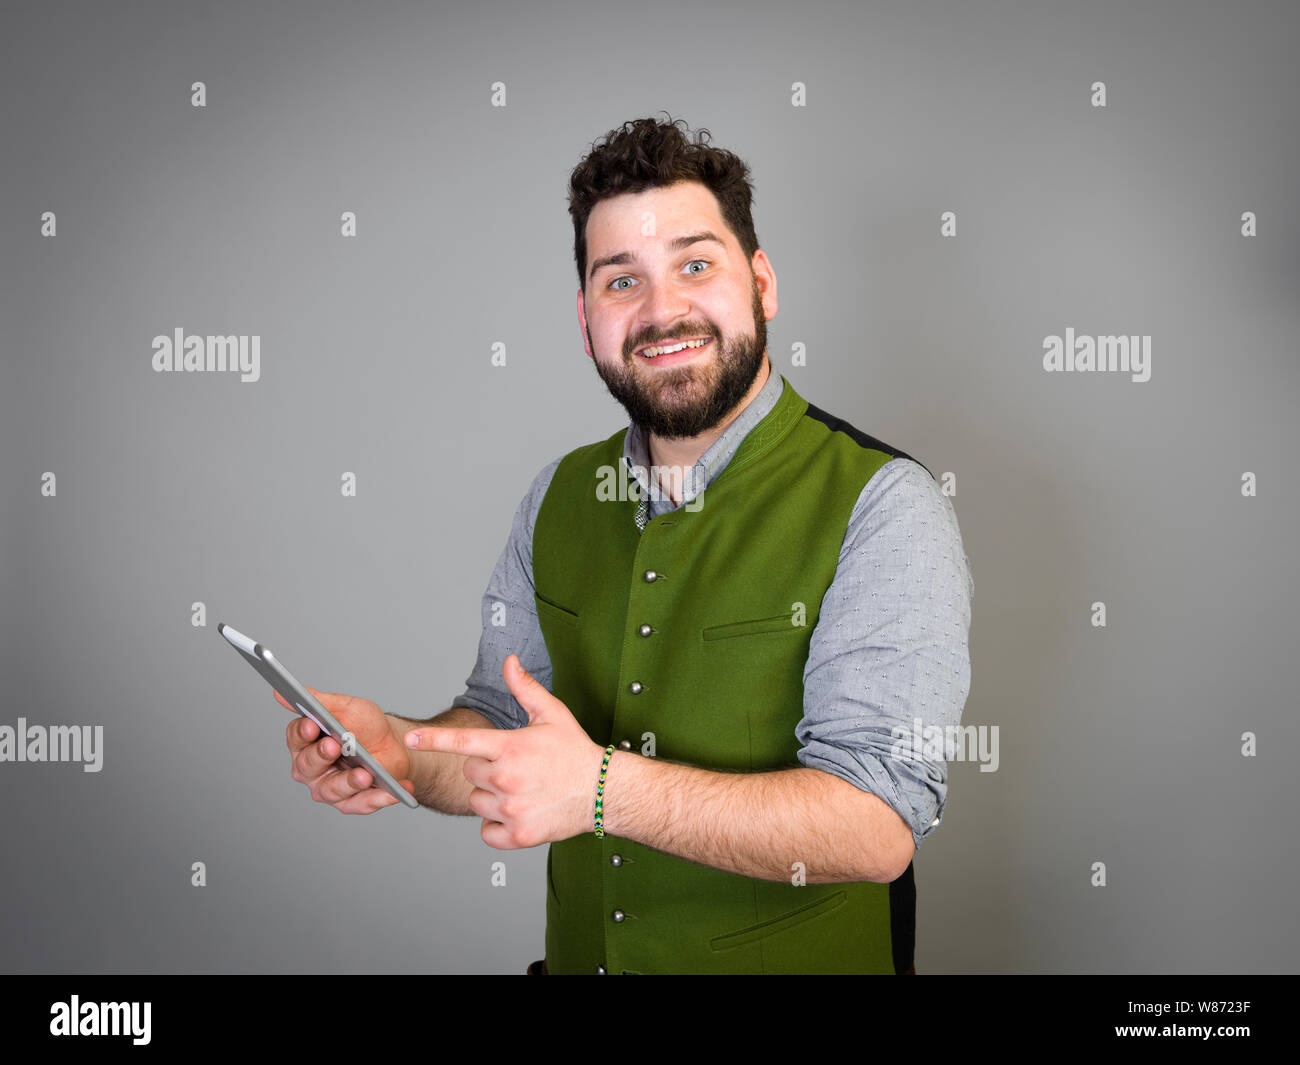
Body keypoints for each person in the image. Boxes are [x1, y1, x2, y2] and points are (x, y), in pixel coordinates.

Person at [281, 114, 973, 975]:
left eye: (695, 264)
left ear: (762, 282)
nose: (662, 310)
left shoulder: (886, 506)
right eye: (621, 282)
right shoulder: (557, 496)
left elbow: (875, 823)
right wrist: (401, 750)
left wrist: (602, 790)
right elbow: (503, 727)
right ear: (586, 320)